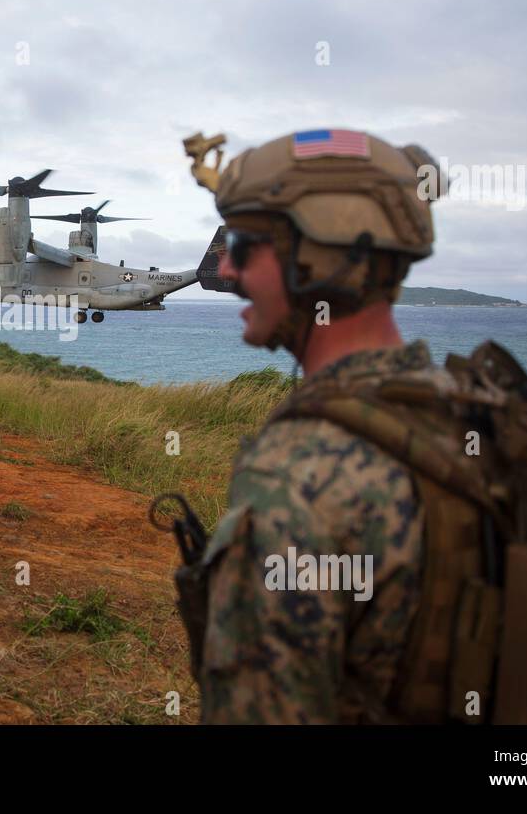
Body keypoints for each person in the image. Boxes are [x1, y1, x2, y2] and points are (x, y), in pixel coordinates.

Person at [180, 128, 448, 724]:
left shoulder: (296, 479)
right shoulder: (481, 416)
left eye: (245, 245)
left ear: (317, 260)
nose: (225, 267)